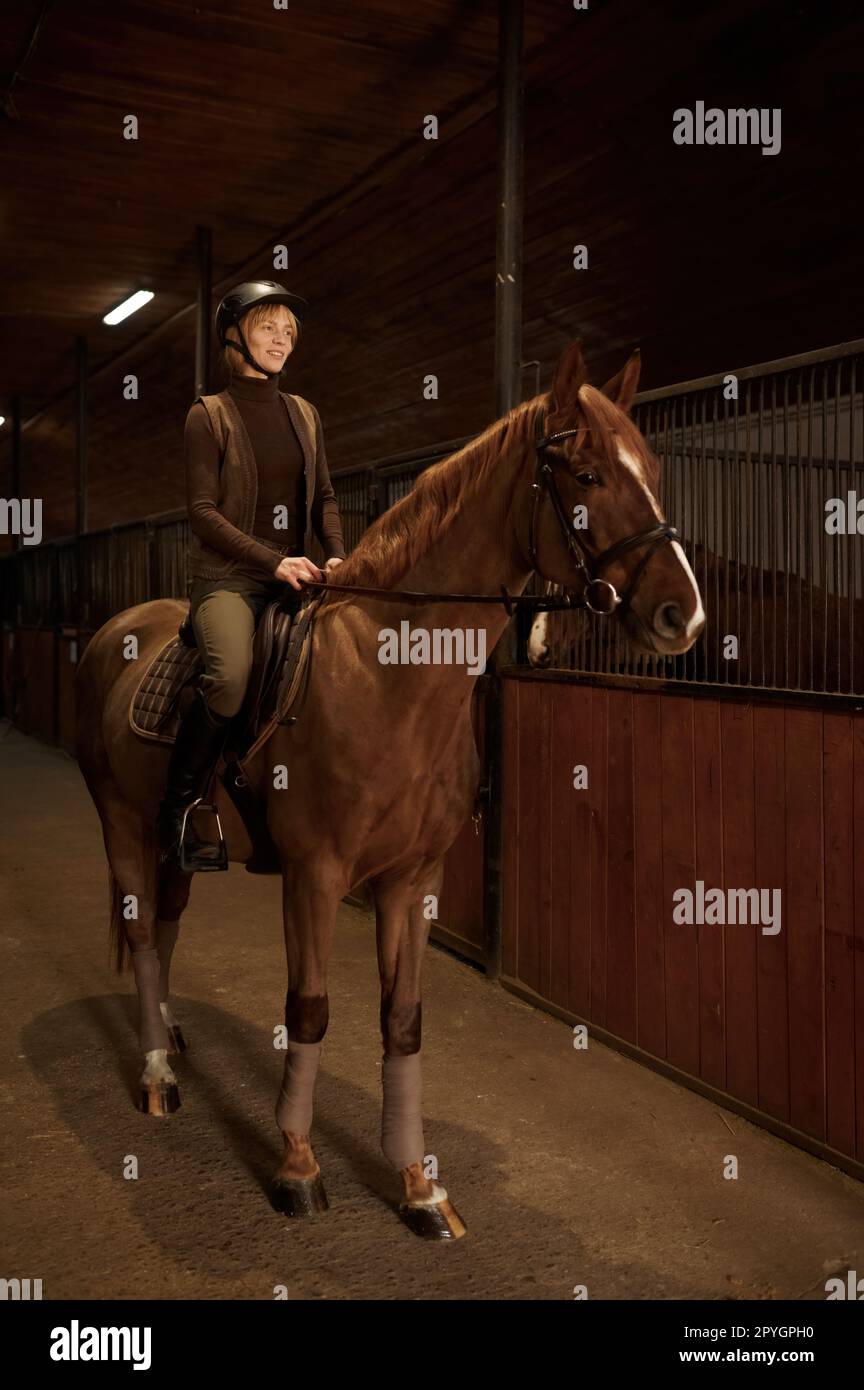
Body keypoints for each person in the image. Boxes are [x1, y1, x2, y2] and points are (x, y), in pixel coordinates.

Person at [156, 280, 347, 869]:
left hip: (302, 575)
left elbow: (326, 498)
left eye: (289, 332)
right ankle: (179, 811)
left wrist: (337, 554)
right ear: (235, 335)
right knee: (231, 678)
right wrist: (272, 560)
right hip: (230, 579)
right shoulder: (207, 415)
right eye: (269, 328)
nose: (282, 341)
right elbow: (203, 514)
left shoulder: (305, 414)